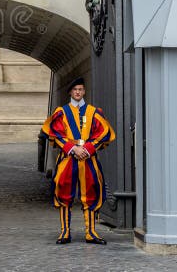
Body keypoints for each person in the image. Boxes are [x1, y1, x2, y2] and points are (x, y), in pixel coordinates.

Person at [40, 77, 115, 244]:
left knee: (92, 191)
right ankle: (65, 232)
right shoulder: (62, 112)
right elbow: (55, 134)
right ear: (71, 92)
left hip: (88, 158)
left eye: (81, 89)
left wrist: (87, 149)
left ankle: (91, 232)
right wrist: (73, 149)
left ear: (84, 91)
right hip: (68, 157)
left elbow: (104, 133)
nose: (78, 92)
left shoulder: (93, 112)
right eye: (75, 90)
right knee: (63, 190)